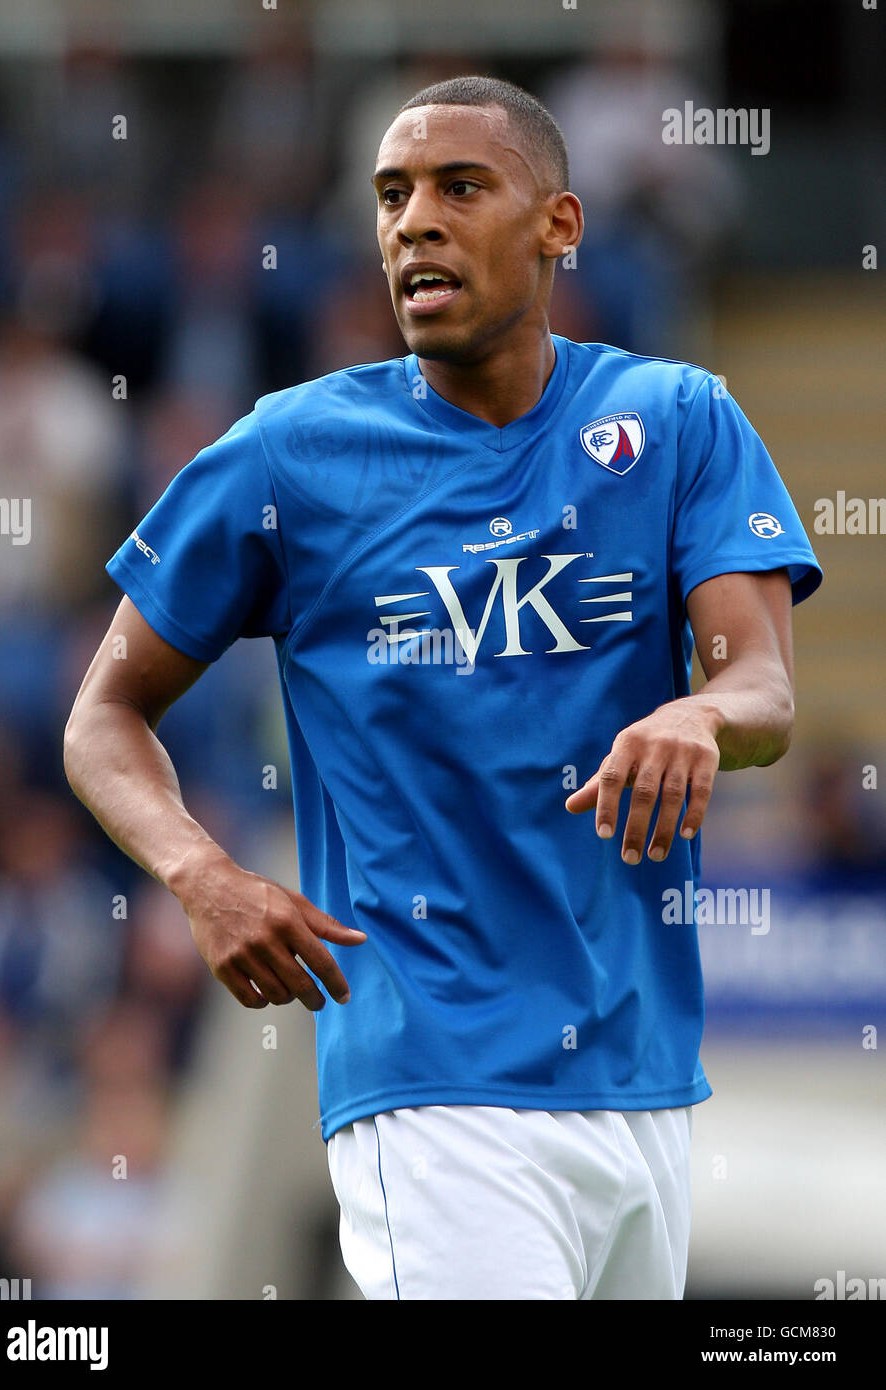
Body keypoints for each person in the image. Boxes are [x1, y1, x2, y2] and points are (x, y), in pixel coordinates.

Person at [64, 75, 822, 1300]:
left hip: (643, 1077)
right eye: (390, 195)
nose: (413, 220)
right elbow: (102, 713)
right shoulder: (287, 454)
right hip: (430, 1079)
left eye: (459, 188)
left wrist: (698, 711)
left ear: (558, 225)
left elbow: (763, 693)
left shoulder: (677, 418)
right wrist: (200, 871)